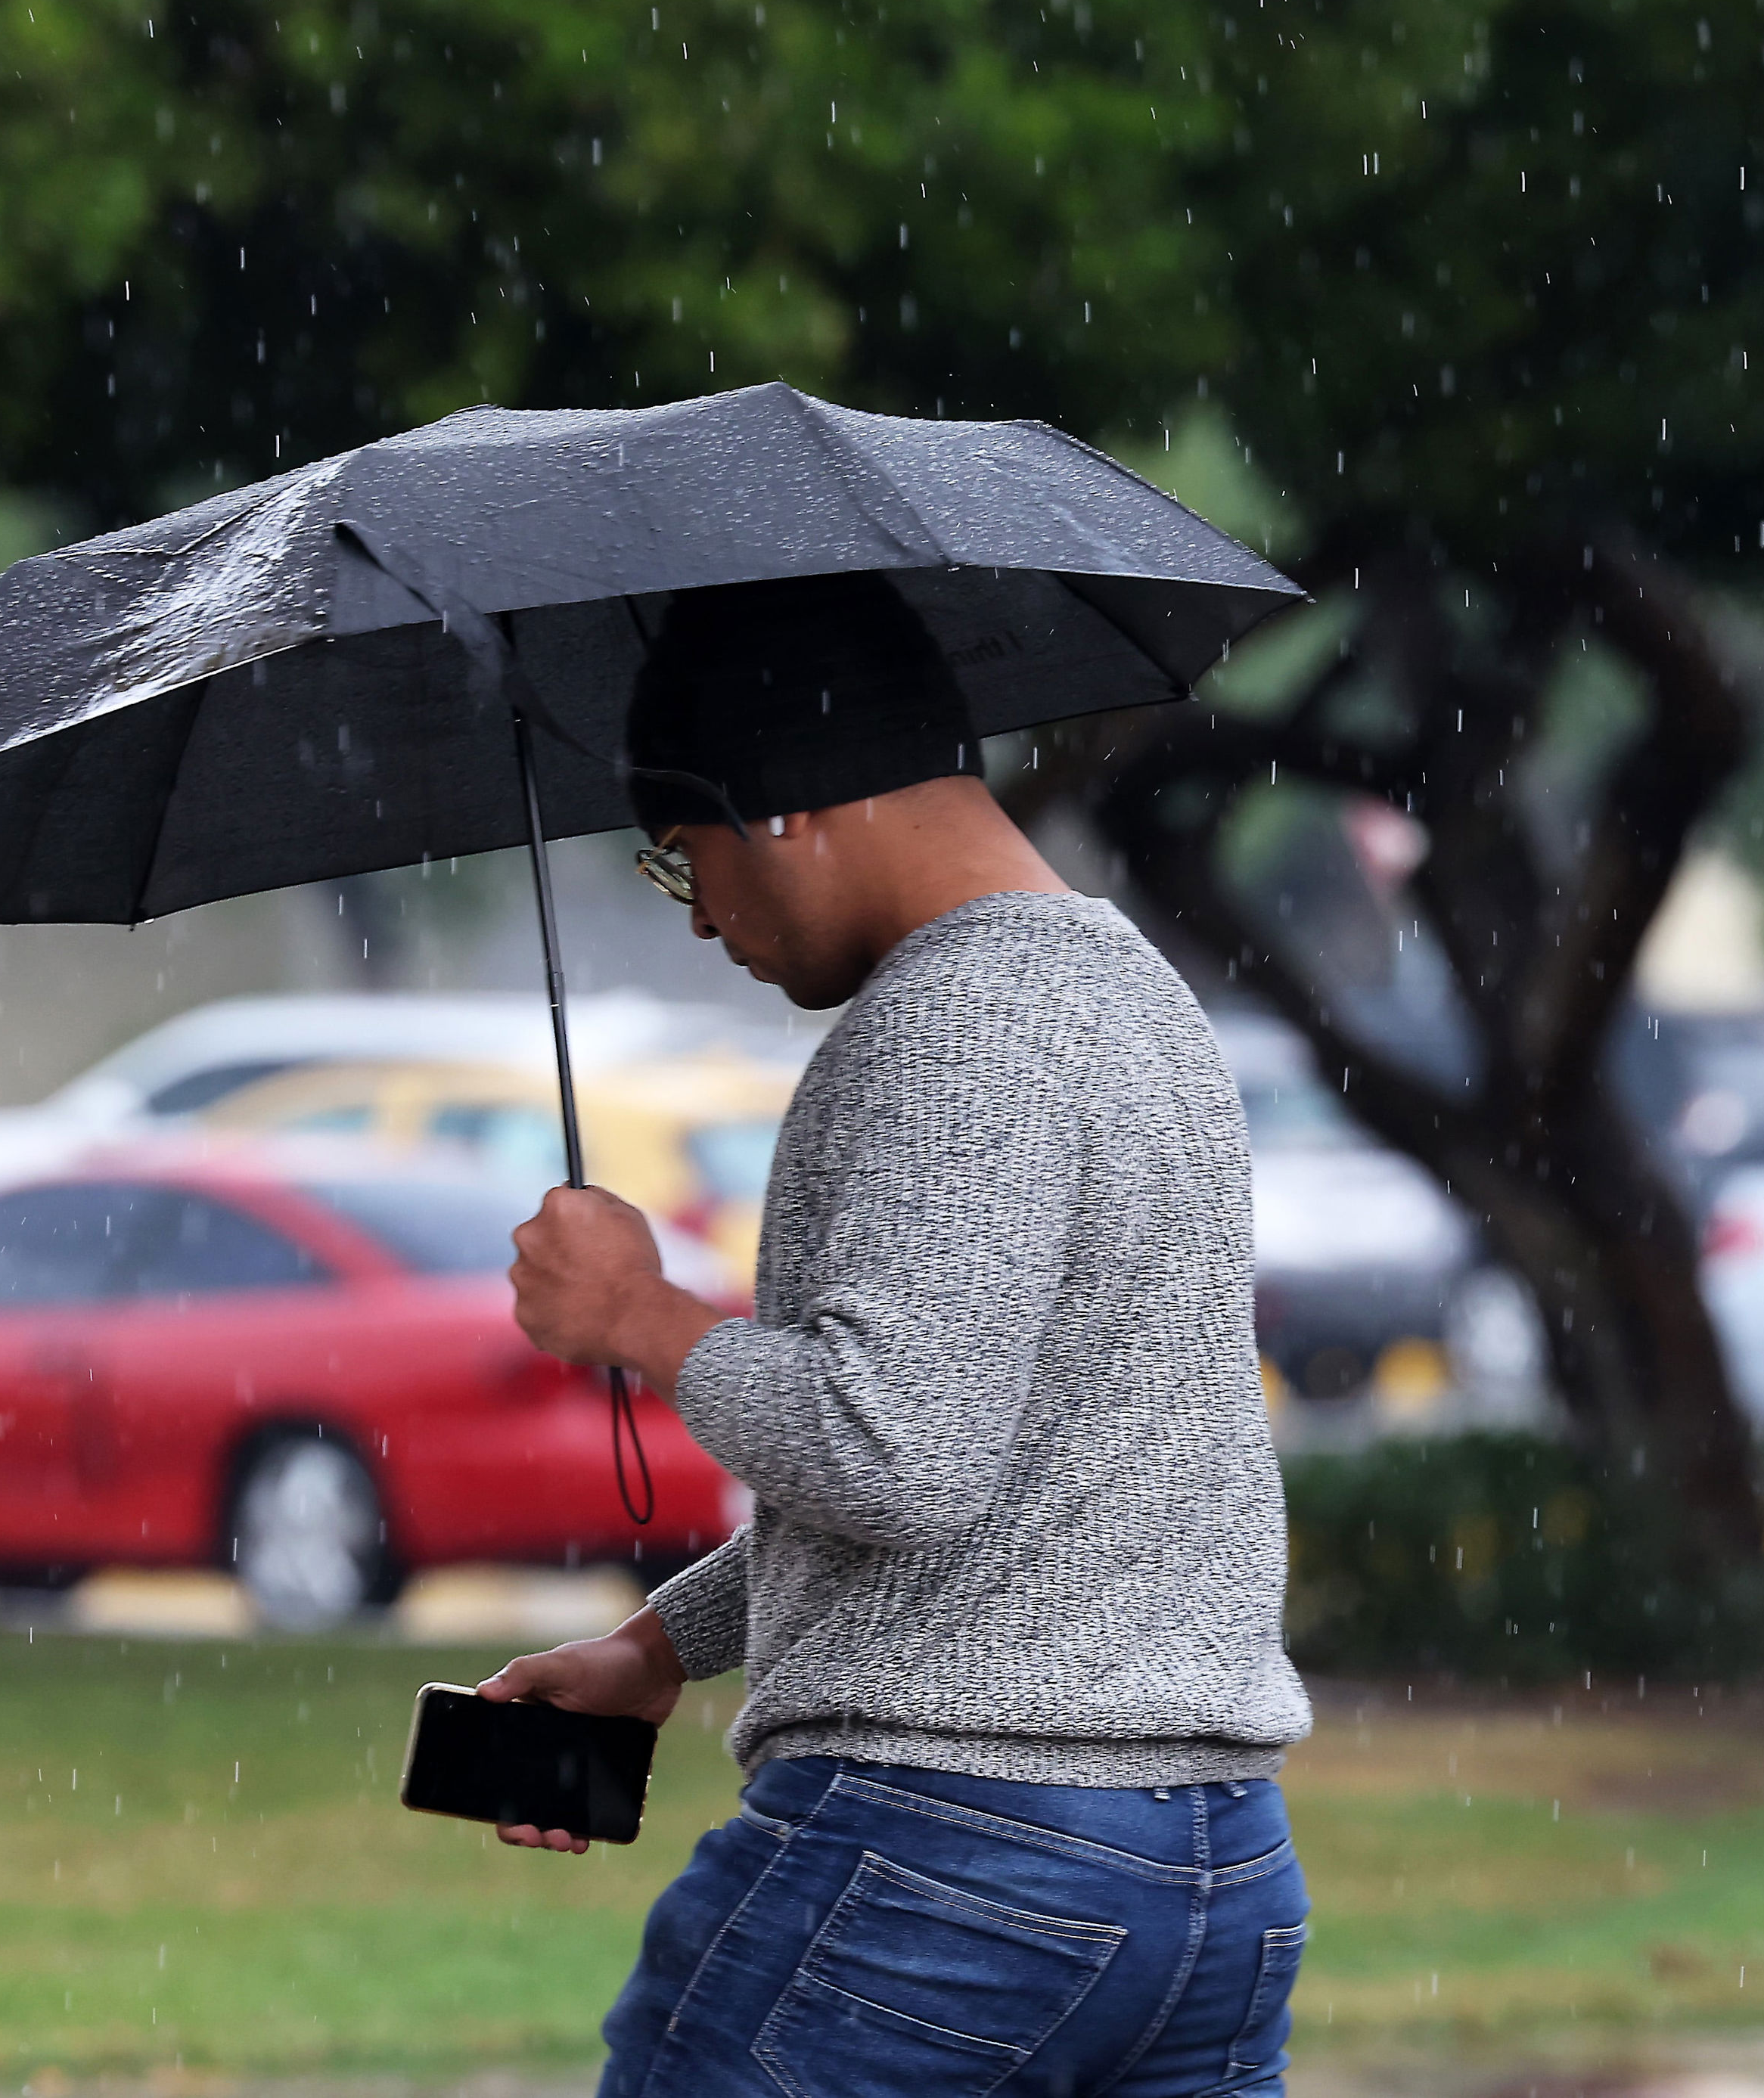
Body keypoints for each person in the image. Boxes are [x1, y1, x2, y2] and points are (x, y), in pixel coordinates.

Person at [492, 571, 1314, 2096]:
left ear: (783, 805)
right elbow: (1015, 1474)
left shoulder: (950, 1020)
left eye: (690, 864)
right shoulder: (1133, 995)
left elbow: (892, 1455)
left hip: (952, 1869)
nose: (708, 925)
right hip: (1210, 1883)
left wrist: (640, 1315)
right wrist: (661, 1644)